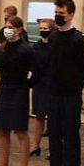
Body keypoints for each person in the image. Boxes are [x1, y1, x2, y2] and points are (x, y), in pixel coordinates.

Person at [33, 0, 84, 166]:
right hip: (53, 95)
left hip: (70, 97)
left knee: (71, 140)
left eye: (62, 13)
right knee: (54, 138)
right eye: (56, 12)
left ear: (71, 15)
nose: (58, 16)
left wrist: (74, 87)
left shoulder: (80, 40)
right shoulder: (53, 37)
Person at [0, 16, 34, 166]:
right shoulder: (3, 48)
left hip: (19, 90)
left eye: (11, 26)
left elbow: (37, 71)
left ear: (19, 29)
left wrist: (27, 85)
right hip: (4, 89)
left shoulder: (26, 49)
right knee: (3, 130)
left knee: (21, 131)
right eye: (6, 26)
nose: (7, 29)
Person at [29, 19, 53, 157]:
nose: (43, 30)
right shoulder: (37, 46)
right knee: (38, 116)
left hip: (52, 85)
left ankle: (52, 148)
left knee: (53, 119)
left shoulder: (55, 45)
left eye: (45, 28)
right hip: (39, 84)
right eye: (41, 28)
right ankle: (35, 145)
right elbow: (33, 65)